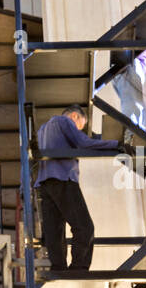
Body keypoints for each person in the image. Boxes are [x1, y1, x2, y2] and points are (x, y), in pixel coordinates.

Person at [35, 105, 118, 272]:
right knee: (84, 226)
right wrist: (116, 143)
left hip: (44, 184)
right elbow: (83, 143)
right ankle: (79, 266)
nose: (78, 129)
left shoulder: (41, 130)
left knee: (55, 230)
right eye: (80, 126)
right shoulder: (63, 121)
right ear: (74, 116)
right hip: (63, 178)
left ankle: (58, 267)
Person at [111, 48, 146, 130]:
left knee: (136, 107)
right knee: (135, 106)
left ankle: (133, 132)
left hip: (133, 64)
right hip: (131, 63)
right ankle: (132, 133)